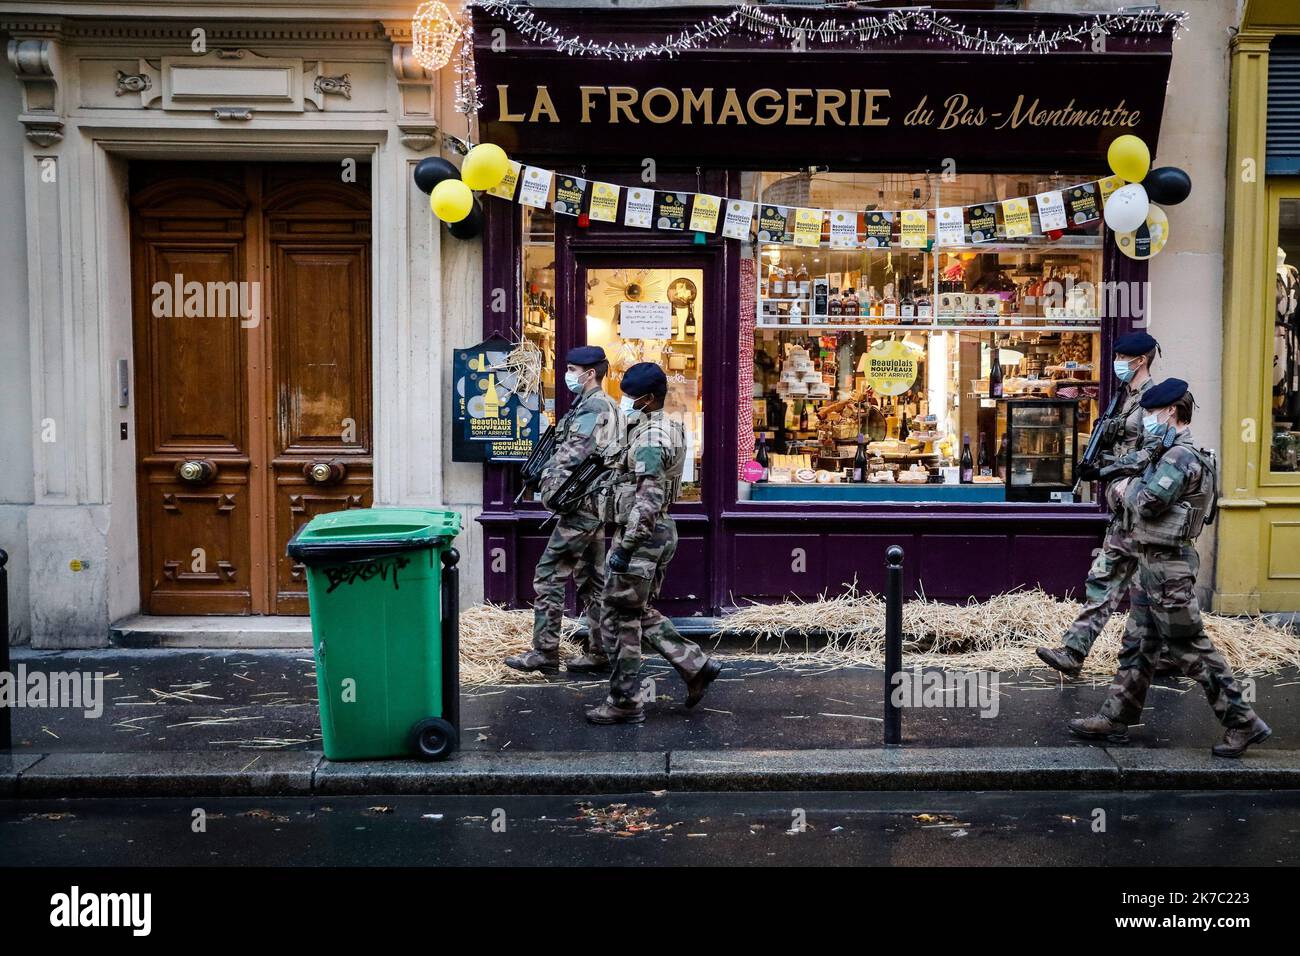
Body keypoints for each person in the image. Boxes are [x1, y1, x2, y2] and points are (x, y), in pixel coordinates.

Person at [1069, 379, 1271, 758]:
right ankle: (1116, 718)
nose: (1145, 418)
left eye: (1150, 412)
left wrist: (1118, 486)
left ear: (1171, 412)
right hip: (1153, 564)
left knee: (1189, 647)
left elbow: (1146, 503)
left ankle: (1242, 721)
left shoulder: (1180, 457)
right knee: (1139, 645)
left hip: (1169, 570)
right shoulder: (1165, 452)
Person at [586, 362, 721, 724]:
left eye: (630, 397)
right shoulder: (656, 426)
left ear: (647, 399)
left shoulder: (650, 439)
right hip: (651, 531)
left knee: (618, 618)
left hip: (641, 535)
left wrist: (626, 549)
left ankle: (625, 703)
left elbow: (647, 499)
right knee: (632, 609)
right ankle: (696, 665)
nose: (625, 402)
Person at [1037, 331, 1176, 678]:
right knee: (1104, 579)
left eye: (1122, 359)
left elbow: (1153, 452)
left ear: (1140, 360)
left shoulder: (1154, 399)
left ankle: (1174, 654)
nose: (1117, 365)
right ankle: (1073, 651)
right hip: (1122, 506)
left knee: (1158, 589)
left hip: (1145, 506)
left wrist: (1107, 469)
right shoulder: (1122, 397)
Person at [506, 346, 622, 674]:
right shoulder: (606, 405)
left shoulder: (594, 407)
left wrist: (545, 482)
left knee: (548, 573)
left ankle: (544, 651)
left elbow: (573, 452)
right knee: (592, 579)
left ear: (590, 373)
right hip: (594, 504)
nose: (567, 375)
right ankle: (600, 651)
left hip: (582, 507)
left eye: (572, 369)